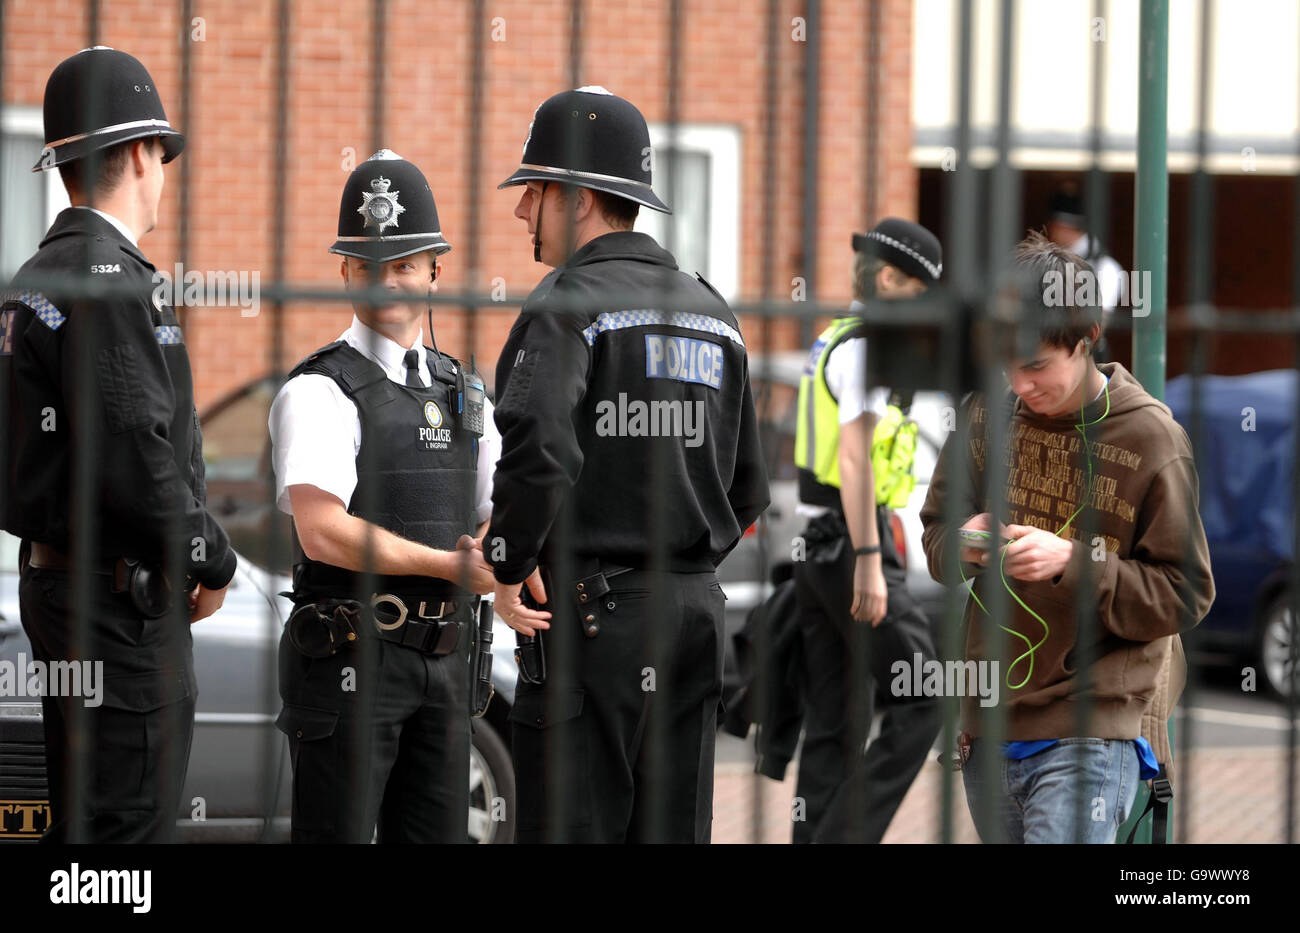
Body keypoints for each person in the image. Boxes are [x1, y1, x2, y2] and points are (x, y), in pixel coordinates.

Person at [487, 86, 769, 843]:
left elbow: (538, 441)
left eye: (533, 190)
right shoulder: (715, 312)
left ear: (578, 198)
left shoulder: (566, 302)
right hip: (696, 616)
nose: (520, 211)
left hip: (593, 619)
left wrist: (508, 563)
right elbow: (749, 487)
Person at [0, 47, 236, 842]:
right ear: (141, 152)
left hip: (68, 590)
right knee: (126, 834)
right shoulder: (110, 276)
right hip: (118, 605)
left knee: (85, 827)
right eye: (161, 154)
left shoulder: (38, 276)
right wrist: (210, 554)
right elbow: (137, 450)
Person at [919, 230, 1214, 844]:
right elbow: (936, 543)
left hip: (1092, 729)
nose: (1020, 384)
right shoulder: (984, 417)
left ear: (1085, 343)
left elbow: (1185, 594)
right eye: (1005, 365)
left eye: (1035, 366)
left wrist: (1074, 564)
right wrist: (965, 542)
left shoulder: (1150, 439)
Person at [268, 149, 498, 843]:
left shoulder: (466, 391)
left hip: (449, 662)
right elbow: (323, 532)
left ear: (434, 268)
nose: (387, 281)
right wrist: (448, 566)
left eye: (404, 263)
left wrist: (498, 553)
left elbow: (495, 508)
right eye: (368, 264)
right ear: (344, 271)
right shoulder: (318, 390)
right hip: (351, 657)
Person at [789, 218, 944, 843]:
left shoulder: (835, 338)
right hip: (848, 543)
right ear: (888, 279)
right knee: (925, 694)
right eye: (921, 290)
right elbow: (854, 457)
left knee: (837, 719)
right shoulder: (864, 346)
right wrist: (870, 558)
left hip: (818, 543)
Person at [1046, 185, 1126, 359]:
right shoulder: (1052, 261)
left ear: (1063, 226)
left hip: (1084, 354)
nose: (1051, 232)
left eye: (1054, 226)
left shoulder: (1105, 266)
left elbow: (1099, 318)